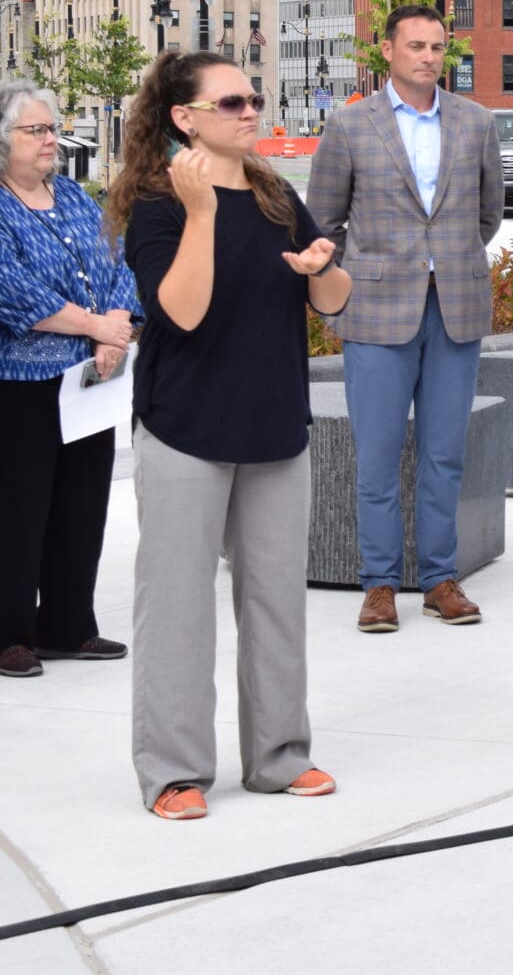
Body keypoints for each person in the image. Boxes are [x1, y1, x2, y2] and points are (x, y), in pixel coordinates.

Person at [111, 50, 353, 820]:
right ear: (185, 118)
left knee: (277, 600)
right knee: (178, 604)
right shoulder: (157, 203)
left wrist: (321, 266)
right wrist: (206, 214)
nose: (251, 111)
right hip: (186, 426)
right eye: (233, 103)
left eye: (255, 99)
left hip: (275, 422)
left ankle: (280, 757)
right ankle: (174, 770)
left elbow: (333, 300)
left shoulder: (277, 192)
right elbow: (179, 310)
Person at [307, 4, 504, 633]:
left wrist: (444, 260)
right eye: (415, 45)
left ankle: (442, 578)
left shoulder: (475, 122)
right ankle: (380, 584)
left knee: (446, 453)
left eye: (437, 47)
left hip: (455, 308)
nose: (427, 56)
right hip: (375, 311)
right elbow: (324, 223)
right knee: (378, 456)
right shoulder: (348, 125)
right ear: (387, 50)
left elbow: (488, 214)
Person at [0, 81, 142, 678]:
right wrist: (98, 328)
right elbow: (14, 292)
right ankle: (10, 633)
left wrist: (118, 328)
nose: (49, 140)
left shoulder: (77, 198)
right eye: (35, 130)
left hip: (88, 381)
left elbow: (121, 261)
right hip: (23, 383)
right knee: (19, 510)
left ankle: (68, 625)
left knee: (82, 506)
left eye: (52, 129)